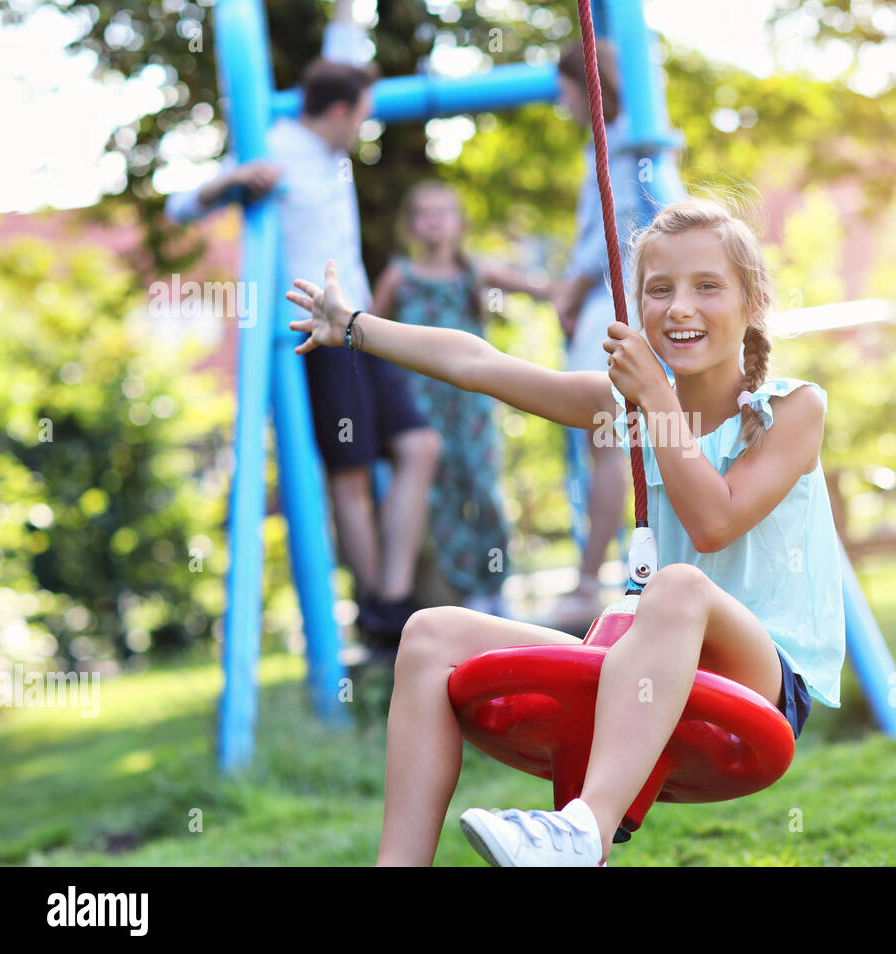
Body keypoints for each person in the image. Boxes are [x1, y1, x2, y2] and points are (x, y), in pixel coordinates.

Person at [286, 197, 846, 867]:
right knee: (430, 635)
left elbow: (714, 520)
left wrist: (657, 401)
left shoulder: (791, 408)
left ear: (753, 301)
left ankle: (583, 832)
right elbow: (482, 366)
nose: (680, 307)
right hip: (649, 666)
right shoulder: (626, 406)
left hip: (765, 683)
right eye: (658, 290)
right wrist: (356, 326)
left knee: (675, 589)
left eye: (707, 287)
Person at [165, 1, 439, 652]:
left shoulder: (332, 119)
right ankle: (377, 614)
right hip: (317, 331)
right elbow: (181, 208)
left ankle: (391, 599)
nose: (368, 123)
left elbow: (345, 36)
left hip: (364, 323)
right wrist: (228, 182)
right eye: (364, 114)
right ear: (342, 112)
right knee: (348, 475)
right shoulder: (277, 152)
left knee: (419, 448)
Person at [370, 181, 553, 619]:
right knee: (439, 496)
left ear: (459, 223)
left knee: (483, 486)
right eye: (424, 213)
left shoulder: (476, 273)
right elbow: (367, 330)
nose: (434, 221)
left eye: (443, 212)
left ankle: (495, 584)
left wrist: (575, 295)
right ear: (411, 224)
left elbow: (537, 288)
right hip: (422, 403)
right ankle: (462, 590)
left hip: (472, 403)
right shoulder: (400, 276)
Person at [544, 39, 658, 628]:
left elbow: (617, 227)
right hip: (613, 300)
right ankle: (618, 574)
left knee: (609, 443)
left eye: (563, 88)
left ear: (585, 83)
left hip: (612, 303)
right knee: (621, 441)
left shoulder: (629, 138)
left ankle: (591, 581)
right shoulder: (621, 136)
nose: (559, 101)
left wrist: (572, 286)